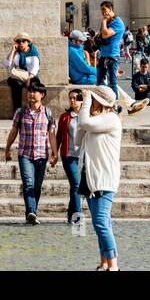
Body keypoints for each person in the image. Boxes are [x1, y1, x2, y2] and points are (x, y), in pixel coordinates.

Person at [78, 85, 124, 270]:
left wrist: (86, 102)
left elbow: (85, 124)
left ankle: (113, 265)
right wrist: (86, 110)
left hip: (103, 179)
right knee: (101, 224)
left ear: (100, 101)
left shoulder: (111, 119)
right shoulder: (96, 119)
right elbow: (77, 137)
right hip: (91, 179)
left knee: (101, 223)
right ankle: (104, 262)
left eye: (93, 99)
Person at [4, 81, 57, 225]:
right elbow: (14, 131)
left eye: (34, 92)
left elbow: (51, 134)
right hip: (25, 154)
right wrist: (7, 149)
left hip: (41, 154)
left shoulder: (48, 112)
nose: (31, 94)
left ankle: (31, 212)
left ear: (42, 95)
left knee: (37, 186)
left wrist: (55, 152)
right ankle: (31, 211)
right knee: (28, 183)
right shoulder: (20, 112)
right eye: (29, 91)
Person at [56, 89, 86, 225]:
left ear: (81, 100)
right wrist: (54, 153)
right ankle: (78, 216)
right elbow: (58, 137)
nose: (72, 101)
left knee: (76, 186)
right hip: (68, 155)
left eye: (75, 98)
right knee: (76, 184)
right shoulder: (65, 117)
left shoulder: (87, 116)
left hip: (84, 156)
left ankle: (70, 213)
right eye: (70, 98)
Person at [5, 34, 41, 113]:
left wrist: (29, 78)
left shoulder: (33, 53)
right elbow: (7, 64)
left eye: (23, 41)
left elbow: (35, 68)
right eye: (18, 41)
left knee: (33, 86)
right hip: (17, 77)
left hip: (31, 76)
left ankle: (33, 109)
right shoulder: (16, 53)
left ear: (27, 42)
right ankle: (17, 110)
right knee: (16, 84)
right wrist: (13, 51)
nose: (21, 43)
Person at [96, 0, 125, 91]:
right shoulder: (108, 21)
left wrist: (104, 20)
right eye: (101, 10)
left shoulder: (117, 22)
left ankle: (114, 104)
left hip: (112, 55)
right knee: (100, 81)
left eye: (104, 9)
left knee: (112, 83)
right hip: (103, 54)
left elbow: (105, 34)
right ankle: (104, 101)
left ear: (110, 9)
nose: (102, 12)